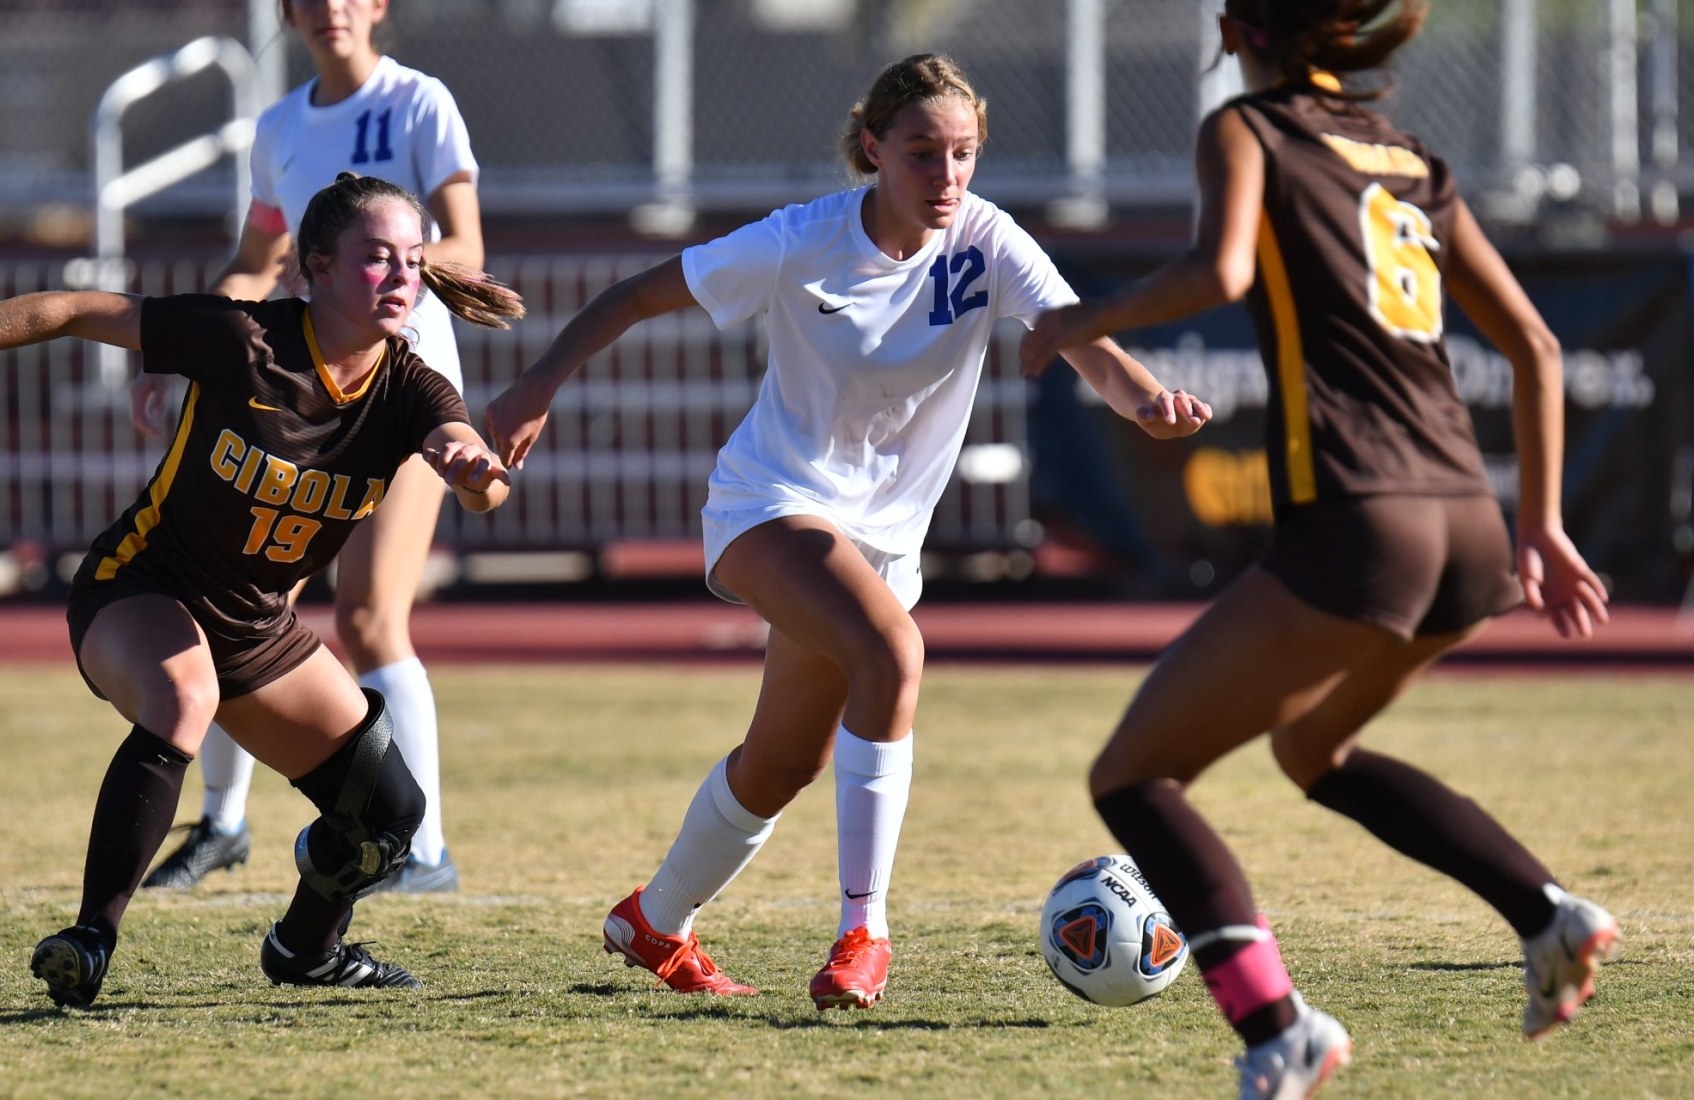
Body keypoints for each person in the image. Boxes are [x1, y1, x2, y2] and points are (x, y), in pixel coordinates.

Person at [484, 54, 1211, 1011]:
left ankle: (655, 919)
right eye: (922, 154)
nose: (947, 177)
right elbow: (635, 296)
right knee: (891, 654)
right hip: (770, 503)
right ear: (873, 149)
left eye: (964, 155)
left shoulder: (987, 239)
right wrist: (538, 384)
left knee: (785, 759)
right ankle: (863, 931)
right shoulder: (799, 240)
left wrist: (1149, 402)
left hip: (882, 540)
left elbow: (1085, 342)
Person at [1017, 3, 1618, 1096]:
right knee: (1312, 751)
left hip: (1364, 514)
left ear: (1237, 26)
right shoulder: (1405, 156)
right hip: (1468, 521)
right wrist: (1543, 521)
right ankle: (1547, 913)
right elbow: (1532, 341)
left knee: (1135, 773)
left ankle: (1277, 1028)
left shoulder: (1247, 128)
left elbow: (1221, 272)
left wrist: (1077, 323)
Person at [0, 174, 522, 1007]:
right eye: (377, 259)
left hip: (258, 629)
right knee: (184, 694)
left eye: (412, 259)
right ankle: (90, 937)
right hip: (142, 587)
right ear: (315, 269)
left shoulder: (411, 387)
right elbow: (76, 309)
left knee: (386, 815)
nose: (403, 277)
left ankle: (305, 949)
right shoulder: (244, 337)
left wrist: (474, 474)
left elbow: (477, 474)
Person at [129, 0, 485, 896]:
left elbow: (468, 244)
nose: (329, 7)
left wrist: (385, 265)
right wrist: (180, 352)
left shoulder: (419, 103)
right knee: (232, 610)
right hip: (294, 404)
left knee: (368, 618)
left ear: (378, 8)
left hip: (399, 405)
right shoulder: (280, 125)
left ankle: (421, 850)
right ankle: (221, 824)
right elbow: (257, 260)